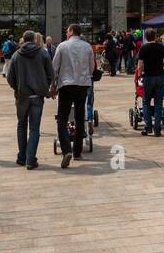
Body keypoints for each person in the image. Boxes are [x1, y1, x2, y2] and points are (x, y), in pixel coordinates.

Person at [6, 30, 53, 170]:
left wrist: (18, 88)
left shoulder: (16, 55)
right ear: (33, 40)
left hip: (22, 97)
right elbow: (51, 74)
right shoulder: (43, 53)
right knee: (34, 128)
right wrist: (44, 86)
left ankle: (22, 156)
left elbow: (10, 77)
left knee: (21, 125)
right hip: (37, 96)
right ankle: (30, 159)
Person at [53, 23, 96, 166]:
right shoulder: (87, 46)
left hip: (66, 84)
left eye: (67, 31)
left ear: (71, 31)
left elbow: (54, 67)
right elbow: (92, 68)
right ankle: (77, 151)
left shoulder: (62, 46)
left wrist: (53, 85)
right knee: (79, 118)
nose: (66, 33)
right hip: (82, 85)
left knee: (62, 118)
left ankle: (66, 150)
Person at [137, 26, 164, 137]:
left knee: (146, 102)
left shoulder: (143, 48)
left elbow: (140, 65)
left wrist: (141, 74)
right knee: (158, 103)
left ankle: (148, 128)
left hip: (148, 77)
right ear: (155, 36)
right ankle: (157, 129)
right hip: (159, 77)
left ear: (146, 37)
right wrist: (163, 69)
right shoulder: (160, 47)